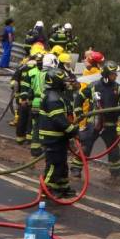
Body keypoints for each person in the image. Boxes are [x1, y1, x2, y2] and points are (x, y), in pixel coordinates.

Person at [77, 61, 120, 178]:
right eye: (113, 74)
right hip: (94, 123)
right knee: (86, 146)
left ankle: (116, 171)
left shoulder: (118, 88)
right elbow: (80, 98)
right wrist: (79, 111)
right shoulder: (94, 86)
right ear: (105, 74)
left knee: (113, 150)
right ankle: (76, 168)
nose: (115, 76)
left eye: (116, 74)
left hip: (110, 124)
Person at [39, 68, 80, 199]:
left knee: (62, 163)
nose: (66, 83)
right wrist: (72, 130)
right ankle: (47, 189)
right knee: (54, 164)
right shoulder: (53, 98)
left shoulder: (58, 95)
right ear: (56, 82)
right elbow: (59, 120)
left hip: (59, 137)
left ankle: (62, 187)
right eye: (63, 81)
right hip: (52, 138)